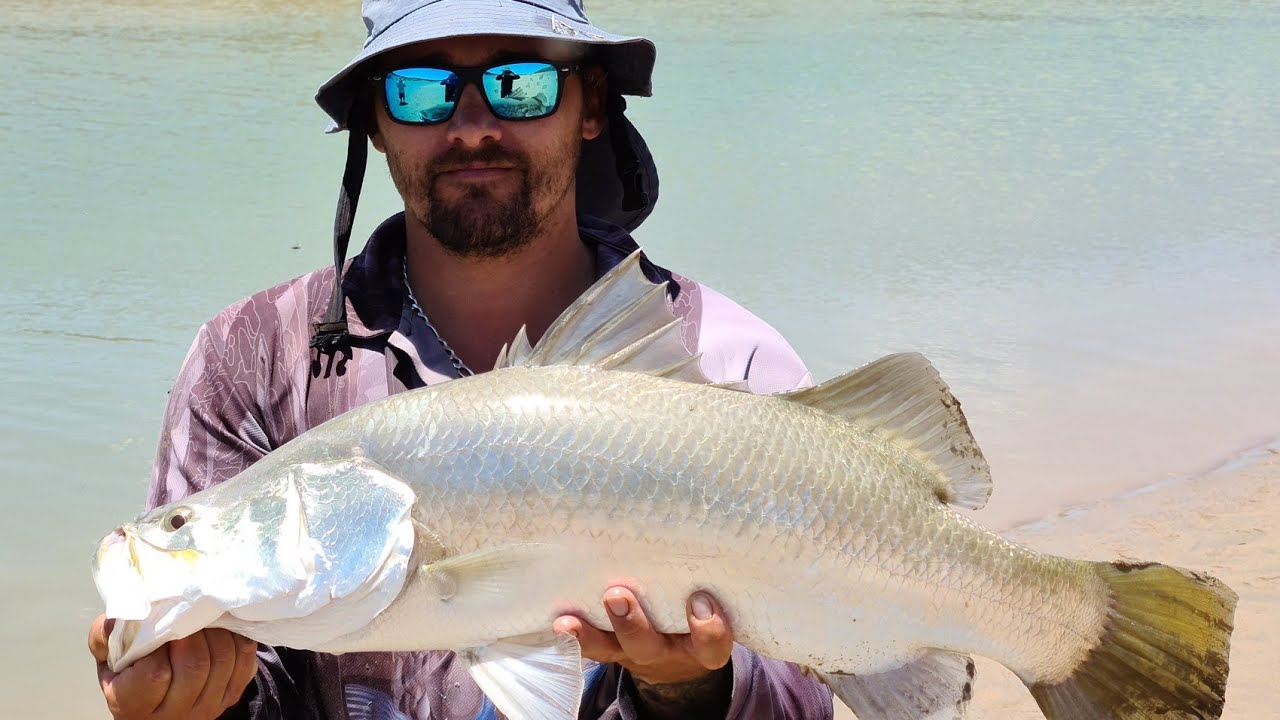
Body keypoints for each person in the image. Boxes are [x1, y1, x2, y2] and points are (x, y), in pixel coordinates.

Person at [87, 1, 833, 718]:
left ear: (592, 105)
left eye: (521, 84)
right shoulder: (249, 361)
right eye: (421, 91)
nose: (472, 127)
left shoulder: (730, 367)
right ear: (376, 124)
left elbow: (821, 688)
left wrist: (686, 691)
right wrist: (188, 707)